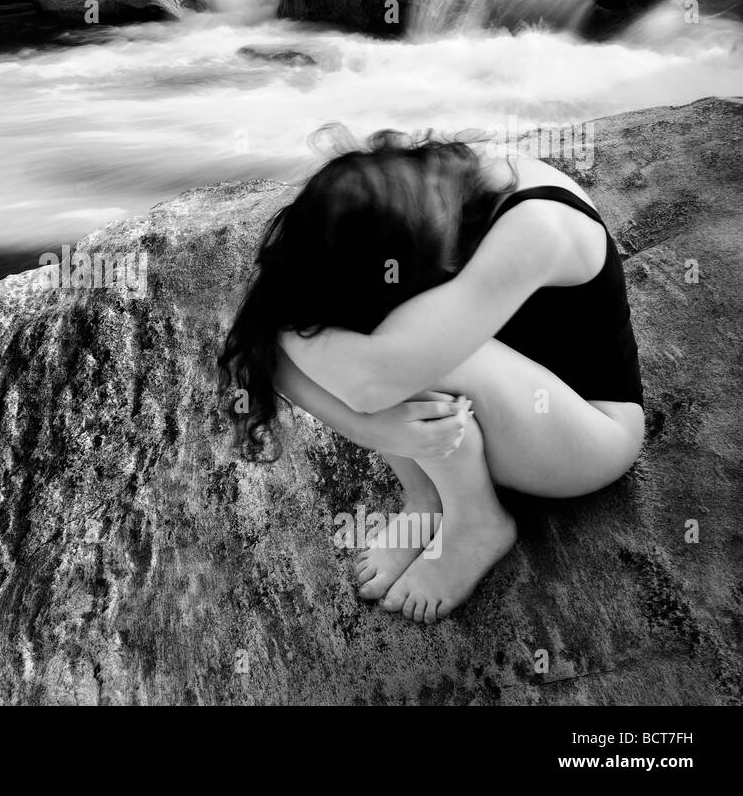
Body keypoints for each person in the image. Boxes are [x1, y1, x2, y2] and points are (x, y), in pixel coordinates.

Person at [218, 130, 644, 623]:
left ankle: (476, 520)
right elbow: (268, 331)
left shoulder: (536, 228)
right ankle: (426, 498)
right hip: (503, 392)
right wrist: (369, 428)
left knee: (392, 361)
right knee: (361, 332)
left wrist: (361, 403)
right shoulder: (413, 194)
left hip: (586, 436)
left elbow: (369, 382)